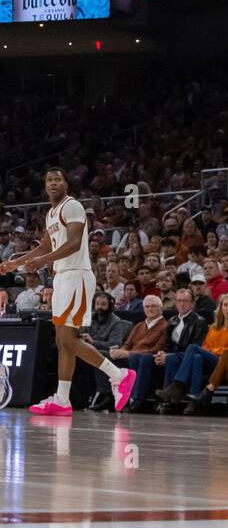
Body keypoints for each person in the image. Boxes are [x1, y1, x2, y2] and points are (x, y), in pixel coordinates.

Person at [0, 168, 135, 416]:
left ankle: (118, 374)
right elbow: (44, 246)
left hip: (76, 275)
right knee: (63, 342)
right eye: (48, 179)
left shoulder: (72, 206)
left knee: (69, 341)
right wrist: (14, 263)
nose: (52, 183)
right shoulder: (51, 213)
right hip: (62, 278)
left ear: (65, 184)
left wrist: (43, 262)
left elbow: (73, 243)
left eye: (57, 179)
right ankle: (62, 399)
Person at [155, 294, 228, 413]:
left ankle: (177, 386)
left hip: (222, 362)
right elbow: (205, 346)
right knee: (197, 358)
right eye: (225, 305)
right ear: (221, 308)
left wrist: (213, 350)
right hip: (210, 358)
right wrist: (211, 350)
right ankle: (193, 402)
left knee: (193, 348)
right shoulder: (214, 327)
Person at [110, 294, 168, 411]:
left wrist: (130, 353)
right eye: (147, 307)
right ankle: (108, 395)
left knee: (138, 358)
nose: (150, 309)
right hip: (132, 355)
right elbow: (128, 344)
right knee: (106, 356)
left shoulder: (165, 326)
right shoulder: (139, 325)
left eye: (153, 306)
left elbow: (157, 349)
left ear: (160, 309)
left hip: (149, 358)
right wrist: (120, 351)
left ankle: (135, 399)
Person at [84, 292, 131, 411]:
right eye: (97, 304)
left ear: (110, 306)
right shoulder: (89, 319)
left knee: (98, 354)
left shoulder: (116, 322)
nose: (100, 307)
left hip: (108, 353)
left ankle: (105, 394)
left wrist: (93, 342)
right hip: (87, 350)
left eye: (103, 304)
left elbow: (115, 344)